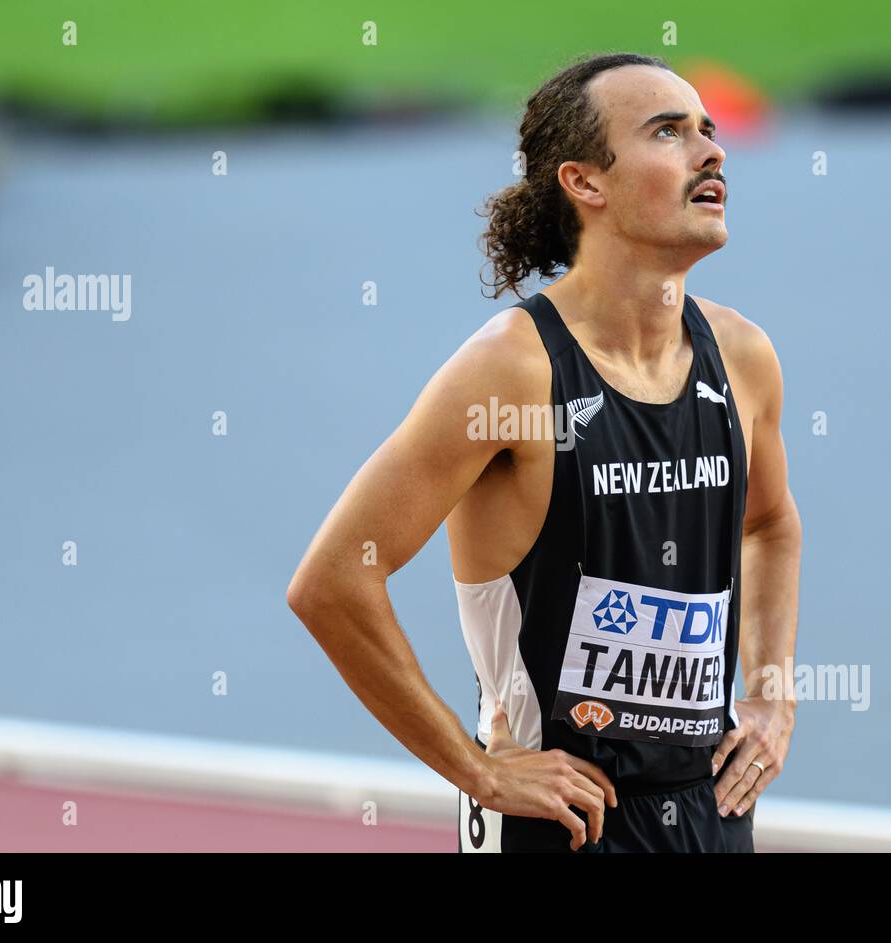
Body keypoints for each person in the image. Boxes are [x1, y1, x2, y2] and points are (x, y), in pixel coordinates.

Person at [287, 51, 801, 852]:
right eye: (667, 132)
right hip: (556, 819)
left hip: (707, 810)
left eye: (706, 128)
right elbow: (331, 580)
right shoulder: (512, 370)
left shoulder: (742, 356)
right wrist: (478, 770)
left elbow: (768, 527)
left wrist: (770, 696)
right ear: (584, 182)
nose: (712, 150)